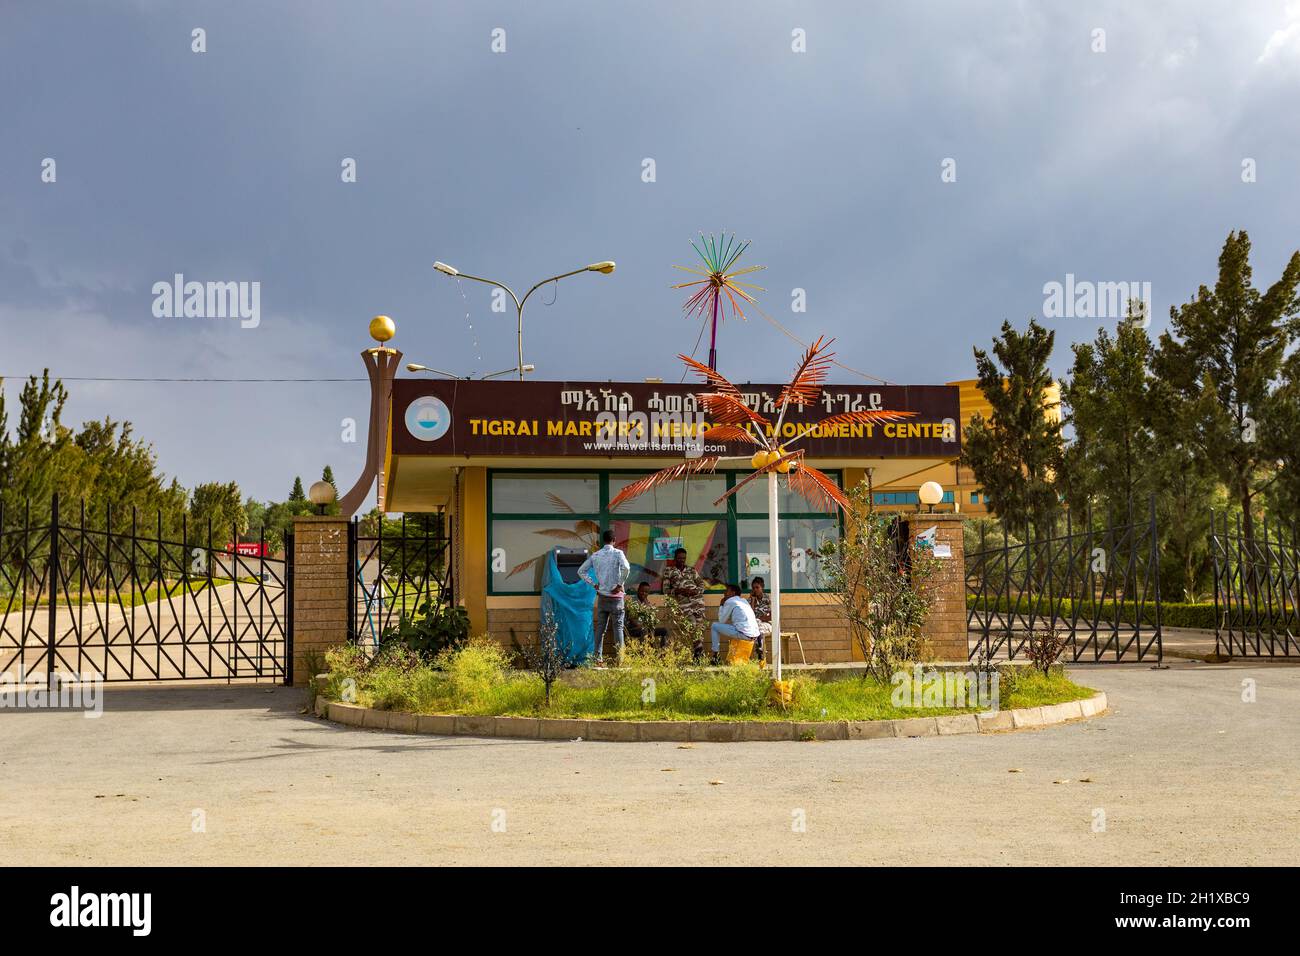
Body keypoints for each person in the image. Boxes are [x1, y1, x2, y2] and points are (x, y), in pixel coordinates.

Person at [578, 530, 630, 665]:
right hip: (617, 597)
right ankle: (620, 659)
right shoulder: (618, 553)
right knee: (618, 628)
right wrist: (619, 585)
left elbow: (581, 571)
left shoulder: (595, 555)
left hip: (602, 596)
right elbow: (626, 568)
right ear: (614, 540)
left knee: (600, 628)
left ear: (603, 541)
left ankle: (597, 659)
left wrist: (594, 584)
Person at [660, 547, 707, 660]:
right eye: (679, 558)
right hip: (684, 604)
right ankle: (698, 653)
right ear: (675, 558)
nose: (682, 560)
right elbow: (665, 590)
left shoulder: (691, 570)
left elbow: (701, 584)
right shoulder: (669, 571)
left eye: (684, 558)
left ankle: (698, 655)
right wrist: (679, 591)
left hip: (697, 602)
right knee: (692, 625)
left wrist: (695, 591)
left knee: (699, 628)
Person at [710, 583, 761, 666]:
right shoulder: (743, 601)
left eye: (727, 591)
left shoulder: (730, 601)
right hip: (754, 635)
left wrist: (721, 605)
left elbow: (721, 620)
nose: (724, 593)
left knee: (714, 626)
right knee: (735, 628)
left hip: (744, 634)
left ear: (733, 593)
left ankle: (716, 656)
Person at [625, 580, 669, 647]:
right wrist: (643, 626)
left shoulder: (646, 602)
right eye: (642, 591)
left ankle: (664, 652)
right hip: (633, 629)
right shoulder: (633, 602)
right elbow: (632, 619)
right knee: (645, 630)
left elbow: (651, 618)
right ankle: (644, 652)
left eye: (646, 592)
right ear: (638, 590)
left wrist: (647, 604)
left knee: (664, 631)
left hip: (646, 628)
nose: (643, 593)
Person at [746, 576, 772, 664]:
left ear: (762, 587)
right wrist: (753, 601)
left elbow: (772, 616)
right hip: (756, 626)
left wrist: (760, 618)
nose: (755, 590)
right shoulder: (750, 600)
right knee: (757, 626)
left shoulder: (768, 599)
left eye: (757, 587)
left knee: (758, 626)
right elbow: (750, 615)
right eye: (753, 588)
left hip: (768, 625)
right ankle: (760, 651)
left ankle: (760, 653)